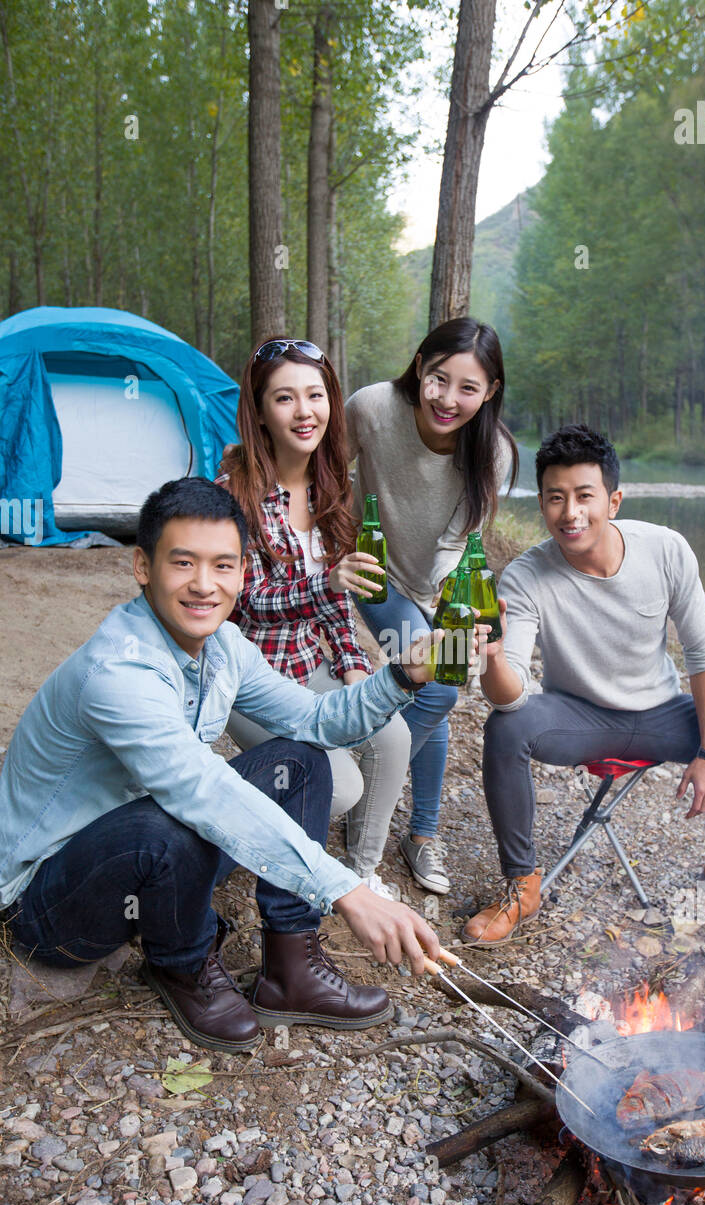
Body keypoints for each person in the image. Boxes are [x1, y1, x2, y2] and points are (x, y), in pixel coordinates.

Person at [1, 478, 441, 1051]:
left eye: (223, 565)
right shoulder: (119, 672)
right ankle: (179, 962)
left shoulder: (224, 648)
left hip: (142, 852)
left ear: (241, 572)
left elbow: (318, 721)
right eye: (182, 562)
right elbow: (200, 790)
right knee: (171, 819)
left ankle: (290, 968)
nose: (204, 585)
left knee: (301, 760)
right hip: (49, 903)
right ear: (142, 566)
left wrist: (407, 674)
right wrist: (348, 889)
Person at [465, 423, 705, 946]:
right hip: (579, 716)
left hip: (665, 713)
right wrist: (494, 658)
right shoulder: (526, 576)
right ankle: (521, 885)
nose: (569, 513)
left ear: (613, 500)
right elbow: (513, 693)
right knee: (506, 727)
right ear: (542, 504)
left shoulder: (664, 548)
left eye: (584, 496)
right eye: (554, 499)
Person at [216, 337, 410, 899]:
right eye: (284, 398)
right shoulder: (232, 498)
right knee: (339, 787)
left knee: (392, 737)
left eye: (316, 395)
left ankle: (362, 871)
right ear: (258, 411)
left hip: (310, 664)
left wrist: (352, 663)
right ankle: (225, 814)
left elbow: (336, 603)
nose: (305, 412)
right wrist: (323, 581)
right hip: (251, 678)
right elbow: (246, 600)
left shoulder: (331, 488)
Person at [346, 317, 519, 896]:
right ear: (420, 364)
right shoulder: (372, 408)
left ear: (490, 391)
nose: (448, 399)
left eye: (468, 388)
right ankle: (365, 796)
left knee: (438, 694)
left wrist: (459, 608)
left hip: (434, 581)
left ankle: (420, 834)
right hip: (373, 570)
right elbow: (323, 475)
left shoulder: (493, 451)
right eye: (438, 379)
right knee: (440, 687)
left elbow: (461, 543)